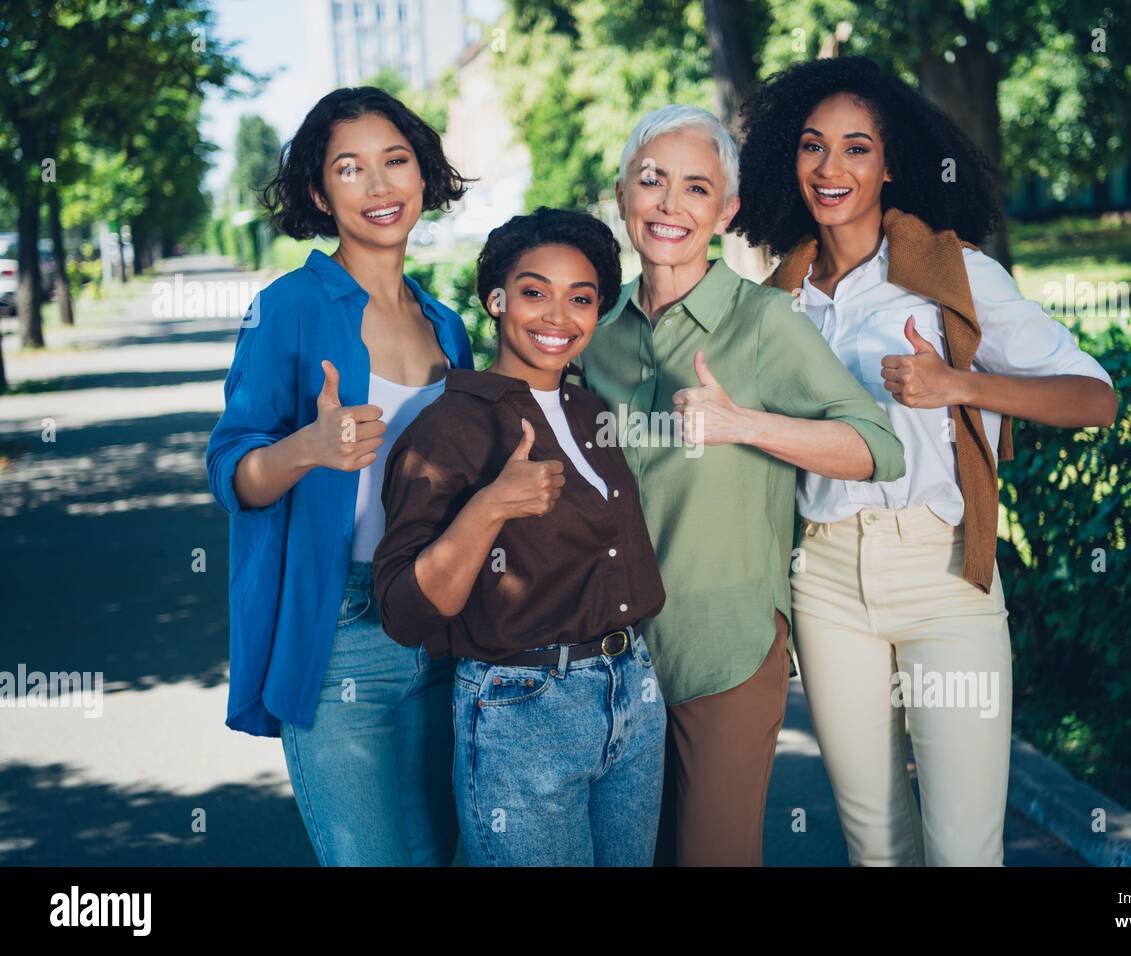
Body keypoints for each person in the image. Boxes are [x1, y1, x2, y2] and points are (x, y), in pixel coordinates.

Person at [732, 56, 1118, 865]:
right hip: (828, 584)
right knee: (877, 848)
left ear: (892, 163)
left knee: (961, 851)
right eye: (812, 146)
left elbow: (1094, 398)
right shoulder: (777, 299)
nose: (830, 168)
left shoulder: (954, 275)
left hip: (942, 577)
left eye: (856, 148)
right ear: (786, 159)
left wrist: (959, 385)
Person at [570, 105, 905, 866]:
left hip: (725, 647)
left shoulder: (765, 323)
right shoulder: (597, 328)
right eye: (651, 181)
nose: (669, 205)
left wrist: (745, 424)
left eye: (696, 189)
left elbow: (878, 447)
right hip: (612, 657)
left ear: (726, 212)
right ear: (622, 194)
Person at [205, 86, 472, 865]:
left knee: (437, 856)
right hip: (338, 635)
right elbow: (230, 472)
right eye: (350, 170)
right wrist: (307, 449)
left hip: (435, 625)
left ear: (423, 175)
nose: (380, 187)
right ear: (321, 194)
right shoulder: (285, 307)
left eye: (396, 162)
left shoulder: (446, 323)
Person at [372, 208, 668, 866]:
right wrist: (489, 508)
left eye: (581, 298)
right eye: (535, 292)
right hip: (523, 710)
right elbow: (404, 610)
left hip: (635, 693)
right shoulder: (448, 429)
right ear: (496, 299)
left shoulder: (592, 411)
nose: (557, 317)